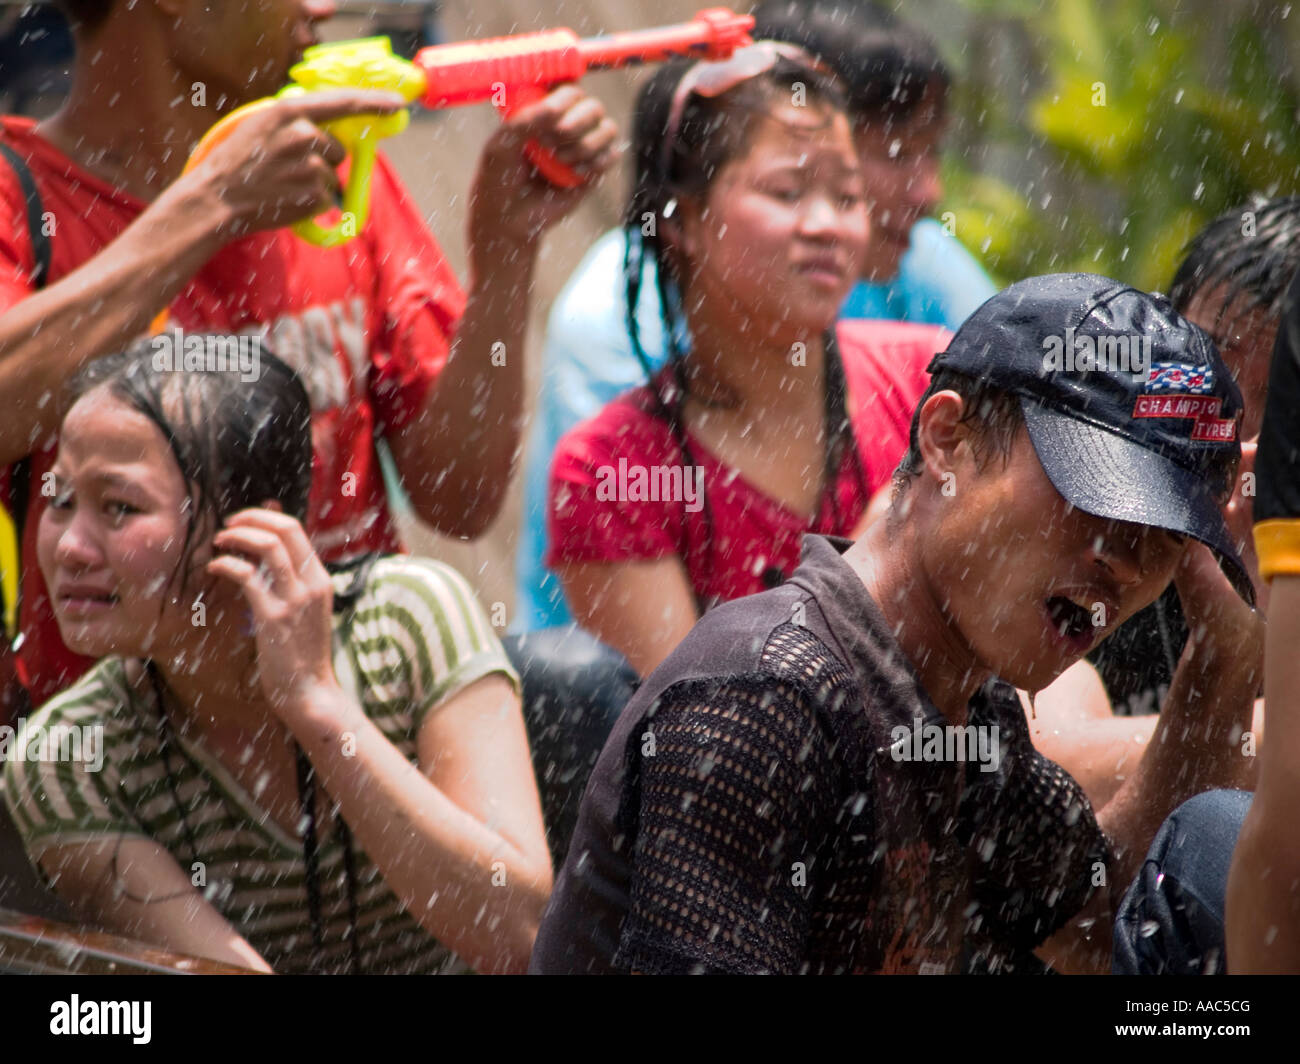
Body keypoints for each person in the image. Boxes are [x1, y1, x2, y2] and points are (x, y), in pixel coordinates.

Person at [530, 273, 1259, 975]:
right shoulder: (768, 699)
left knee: (1209, 849)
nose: (1126, 565)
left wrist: (1225, 657)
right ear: (948, 438)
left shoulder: (959, 710)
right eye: (1094, 499)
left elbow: (1107, 923)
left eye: (1162, 536)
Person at [0, 0, 617, 706]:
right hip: (123, 763)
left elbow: (459, 498)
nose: (325, 6)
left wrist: (507, 252)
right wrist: (208, 208)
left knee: (575, 686)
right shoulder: (17, 195)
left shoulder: (334, 176)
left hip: (360, 729)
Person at [2, 340, 551, 975]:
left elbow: (519, 934)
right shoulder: (68, 760)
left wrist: (316, 706)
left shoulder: (411, 619)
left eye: (119, 507)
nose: (69, 545)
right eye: (60, 499)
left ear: (253, 530)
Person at [515, 0, 994, 633]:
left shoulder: (925, 377)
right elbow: (705, 722)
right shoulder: (619, 452)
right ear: (684, 218)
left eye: (847, 194)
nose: (828, 225)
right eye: (787, 191)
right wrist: (885, 556)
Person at [1030, 197, 1299, 808]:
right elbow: (1043, 766)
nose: (1241, 436)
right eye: (1215, 378)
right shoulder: (1081, 507)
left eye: (1283, 402)